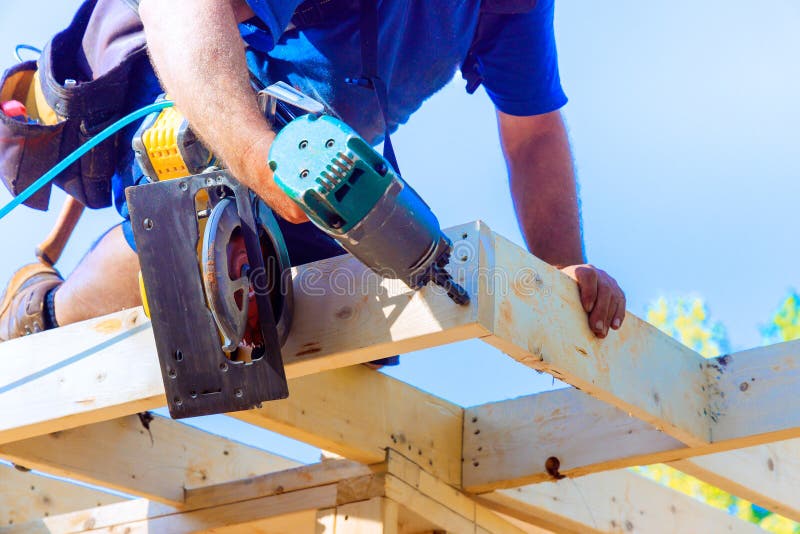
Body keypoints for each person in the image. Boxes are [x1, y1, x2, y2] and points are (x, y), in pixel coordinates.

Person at [0, 0, 626, 349]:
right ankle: (42, 317)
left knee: (364, 320)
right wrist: (257, 159)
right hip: (186, 92)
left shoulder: (507, 7)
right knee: (219, 232)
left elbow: (533, 133)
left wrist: (561, 277)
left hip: (301, 146)